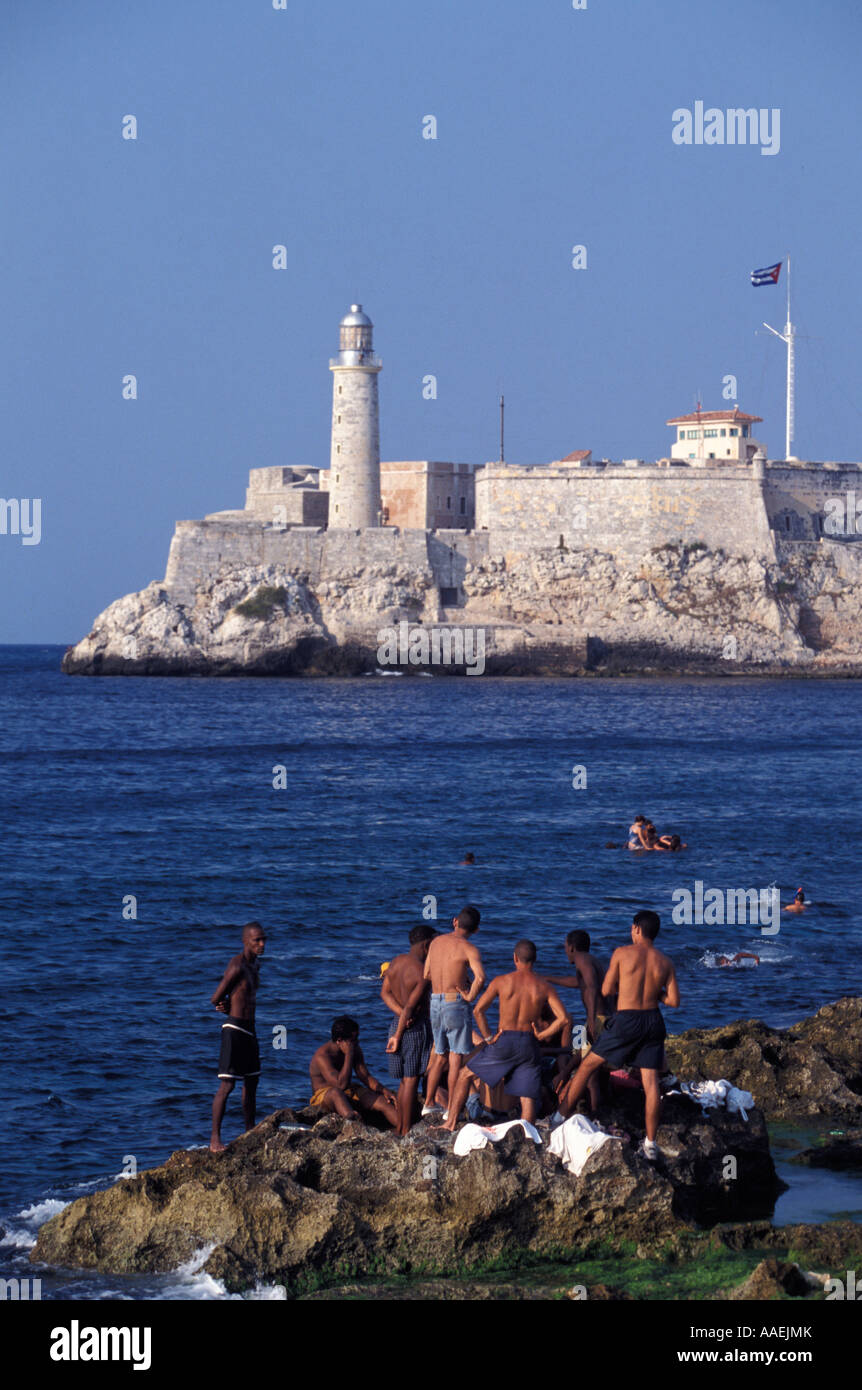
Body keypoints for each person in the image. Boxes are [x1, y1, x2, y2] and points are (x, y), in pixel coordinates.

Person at [558, 910, 679, 1160]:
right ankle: (651, 1143)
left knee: (587, 1064)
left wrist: (629, 986)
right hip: (654, 1021)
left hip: (627, 1019)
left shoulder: (622, 954)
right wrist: (653, 992)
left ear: (636, 929)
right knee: (651, 1083)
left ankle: (558, 1118)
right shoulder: (665, 962)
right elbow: (674, 1001)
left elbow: (606, 988)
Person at [438, 940, 569, 1130]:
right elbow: (563, 1018)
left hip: (506, 1039)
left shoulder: (502, 981)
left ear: (515, 958)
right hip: (529, 1043)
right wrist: (541, 1035)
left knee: (464, 1075)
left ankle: (450, 1123)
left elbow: (478, 1011)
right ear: (534, 960)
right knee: (527, 1094)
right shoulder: (543, 986)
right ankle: (528, 1135)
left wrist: (489, 1037)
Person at [423, 906, 484, 1119]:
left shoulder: (435, 942)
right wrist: (469, 995)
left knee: (439, 1055)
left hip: (435, 1000)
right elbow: (481, 978)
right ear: (476, 930)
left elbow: (427, 973)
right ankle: (450, 1109)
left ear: (454, 921)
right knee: (456, 1058)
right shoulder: (469, 948)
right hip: (454, 1002)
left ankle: (429, 1102)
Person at [210, 922, 266, 1153]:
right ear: (245, 942)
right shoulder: (237, 966)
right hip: (234, 1029)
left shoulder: (255, 966)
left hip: (250, 1029)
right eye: (257, 941)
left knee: (251, 1082)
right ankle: (215, 1139)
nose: (262, 944)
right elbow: (215, 997)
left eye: (264, 939)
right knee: (228, 1085)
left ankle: (249, 1129)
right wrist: (223, 1006)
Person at [545, 929, 615, 1109]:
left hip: (598, 1018)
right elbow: (580, 982)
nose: (565, 950)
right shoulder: (589, 960)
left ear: (572, 947)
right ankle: (602, 1108)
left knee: (590, 1075)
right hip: (602, 1017)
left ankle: (595, 1115)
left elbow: (591, 987)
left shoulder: (581, 960)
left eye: (565, 947)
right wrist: (548, 978)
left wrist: (591, 1020)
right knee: (588, 1062)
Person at [382, 924, 437, 1135]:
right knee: (411, 1080)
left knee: (404, 1081)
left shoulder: (395, 962)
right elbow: (411, 1006)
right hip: (413, 1028)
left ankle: (399, 1127)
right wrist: (403, 1026)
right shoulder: (422, 973)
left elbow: (385, 993)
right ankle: (405, 1129)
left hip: (397, 1023)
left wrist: (400, 1019)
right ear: (426, 945)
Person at [309, 1016, 398, 1126]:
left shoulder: (354, 1048)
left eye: (357, 1038)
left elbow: (365, 1076)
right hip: (325, 1095)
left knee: (384, 1102)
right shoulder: (323, 1056)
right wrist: (349, 1054)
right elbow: (340, 1085)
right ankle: (353, 1123)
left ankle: (404, 1131)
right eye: (353, 1040)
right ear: (339, 1041)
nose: (357, 1042)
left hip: (348, 1090)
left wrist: (384, 1090)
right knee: (336, 1093)